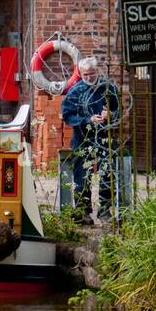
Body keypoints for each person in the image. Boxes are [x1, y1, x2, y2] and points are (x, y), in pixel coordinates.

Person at [61, 57, 121, 224]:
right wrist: (88, 120)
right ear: (80, 74)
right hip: (82, 139)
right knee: (82, 176)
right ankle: (83, 212)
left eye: (92, 74)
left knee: (107, 175)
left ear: (97, 71)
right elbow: (67, 116)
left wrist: (110, 116)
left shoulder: (108, 89)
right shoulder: (75, 91)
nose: (89, 77)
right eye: (85, 74)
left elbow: (118, 112)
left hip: (104, 138)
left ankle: (105, 210)